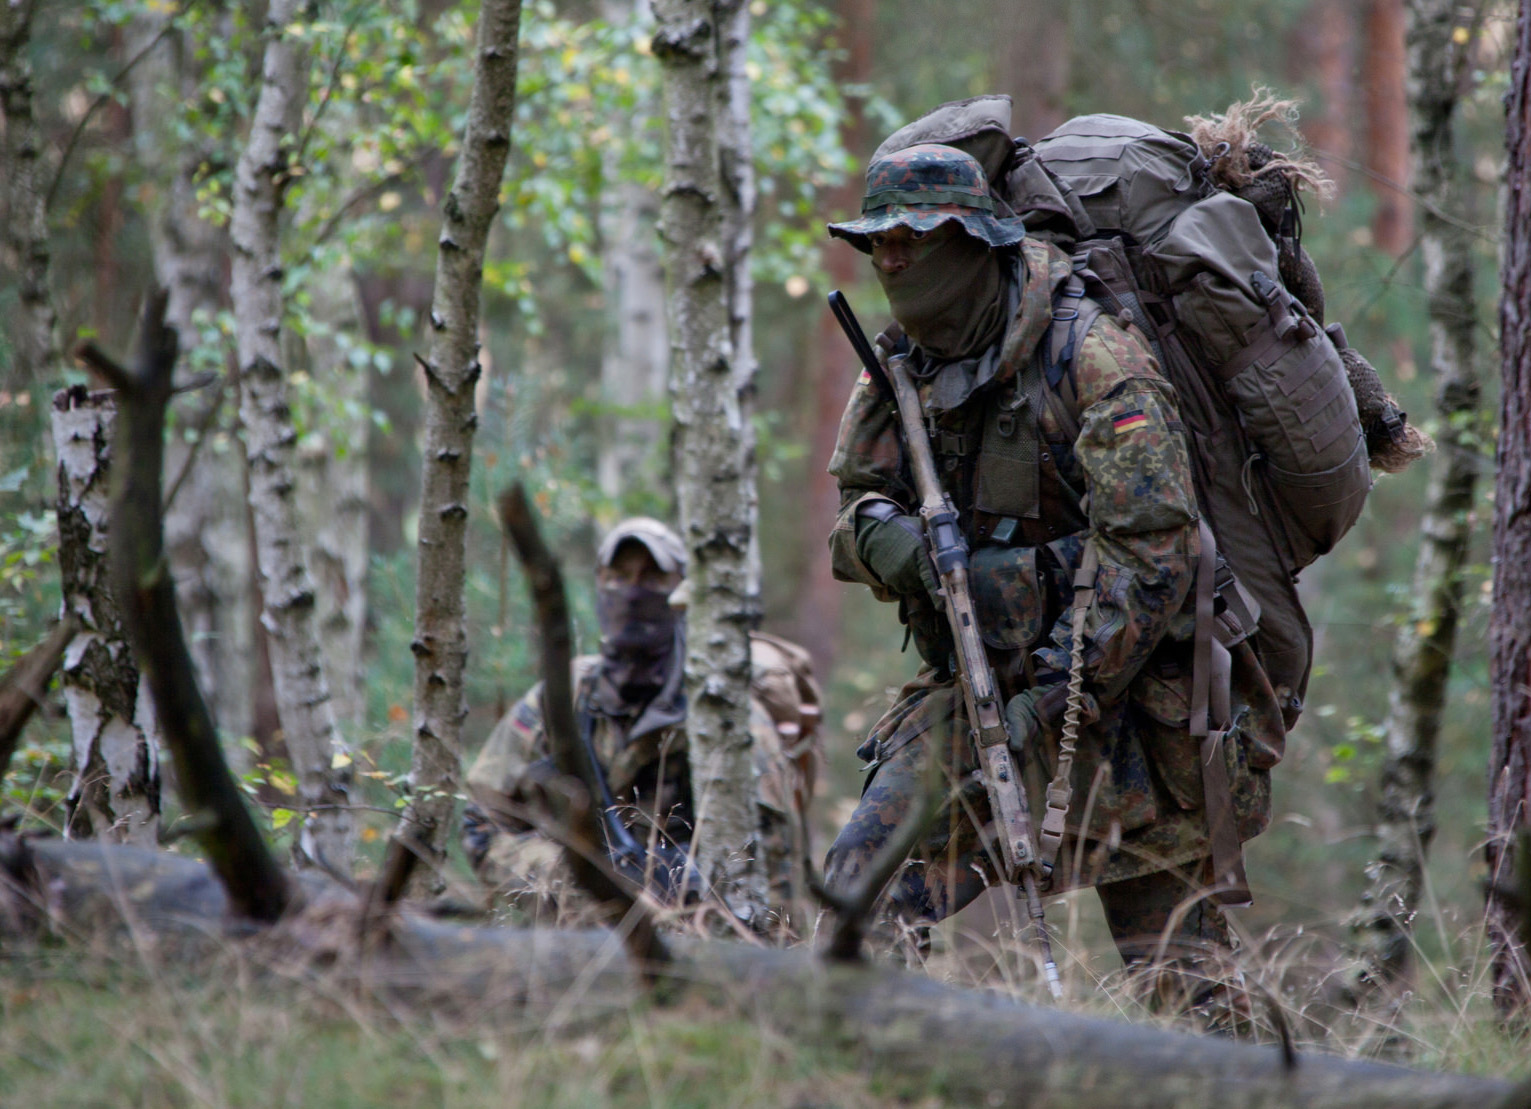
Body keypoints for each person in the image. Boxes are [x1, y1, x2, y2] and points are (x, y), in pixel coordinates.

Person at [821, 143, 1285, 1026]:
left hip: (1134, 713)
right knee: (861, 896)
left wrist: (1053, 694)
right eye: (876, 244)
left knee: (1188, 986)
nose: (889, 262)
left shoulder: (1096, 361)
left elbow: (1156, 556)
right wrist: (900, 547)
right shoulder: (900, 367)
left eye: (911, 240)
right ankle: (871, 1072)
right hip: (978, 689)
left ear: (971, 242)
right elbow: (855, 513)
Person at [461, 517, 822, 909]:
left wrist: (673, 885)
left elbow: (772, 873)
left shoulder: (727, 714)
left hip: (692, 942)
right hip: (571, 941)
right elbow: (482, 825)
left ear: (682, 593)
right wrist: (574, 878)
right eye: (619, 577)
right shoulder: (561, 698)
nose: (633, 593)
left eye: (652, 579)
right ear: (600, 585)